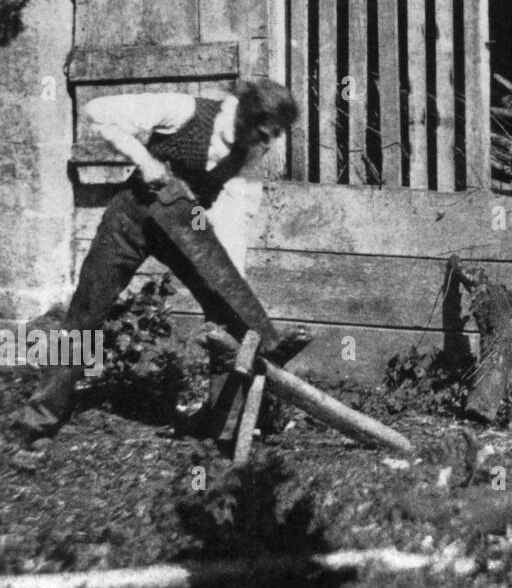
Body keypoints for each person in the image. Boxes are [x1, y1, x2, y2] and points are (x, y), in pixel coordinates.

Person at [12, 80, 310, 445]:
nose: (266, 145)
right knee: (86, 312)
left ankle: (223, 426)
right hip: (131, 219)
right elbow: (98, 112)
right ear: (246, 116)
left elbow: (236, 218)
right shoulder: (184, 110)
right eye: (264, 134)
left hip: (185, 223)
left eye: (273, 137)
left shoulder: (248, 154)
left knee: (226, 310)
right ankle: (38, 419)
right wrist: (146, 160)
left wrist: (233, 288)